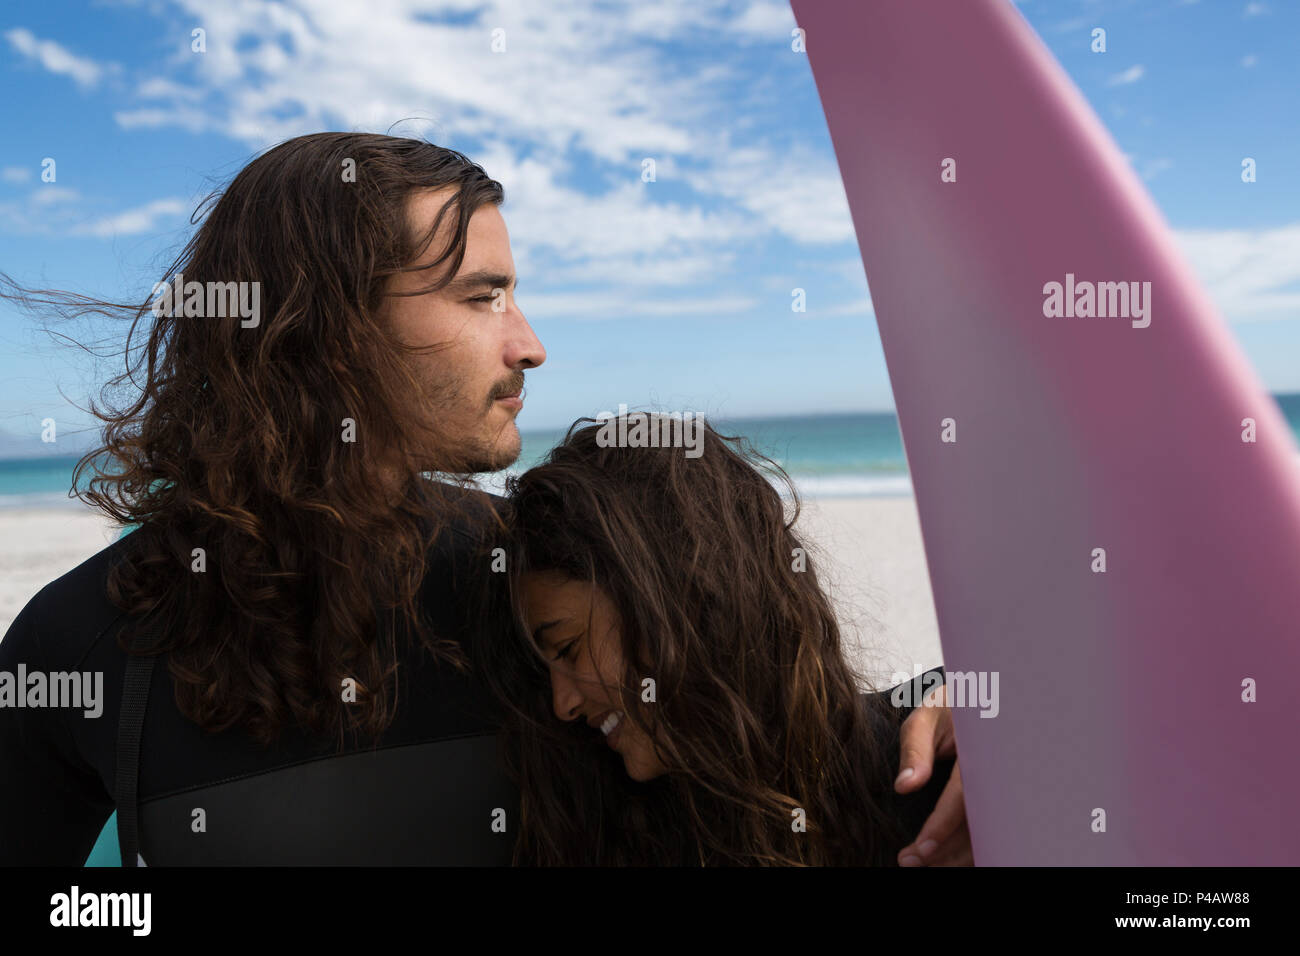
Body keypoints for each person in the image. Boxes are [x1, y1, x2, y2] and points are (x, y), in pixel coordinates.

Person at [0, 132, 962, 865]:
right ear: (329, 333)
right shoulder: (84, 643)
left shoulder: (529, 580)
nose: (531, 343)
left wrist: (957, 709)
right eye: (481, 296)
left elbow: (775, 721)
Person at [480, 413, 971, 865]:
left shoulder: (940, 764)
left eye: (568, 648)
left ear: (682, 600)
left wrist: (1019, 727)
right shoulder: (619, 829)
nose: (562, 703)